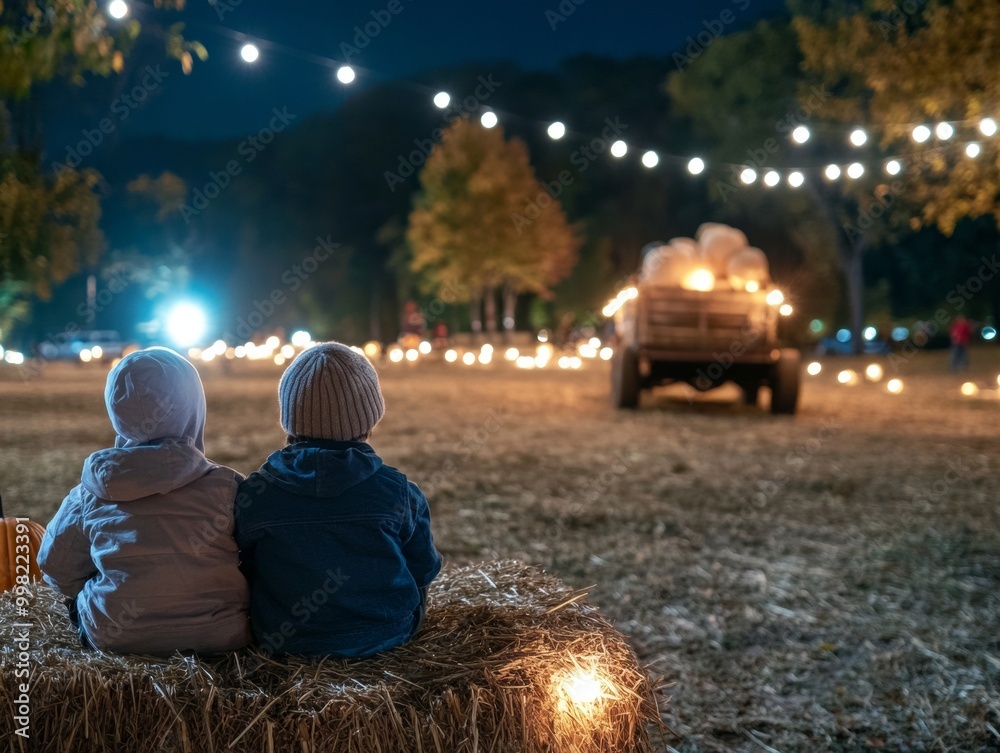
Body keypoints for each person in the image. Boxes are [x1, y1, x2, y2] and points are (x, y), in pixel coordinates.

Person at [37, 347, 251, 655]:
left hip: (114, 635)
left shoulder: (90, 492)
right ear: (194, 408)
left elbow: (54, 565)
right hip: (221, 636)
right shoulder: (228, 486)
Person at [235, 342, 442, 658]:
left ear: (290, 418)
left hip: (285, 639)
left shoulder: (256, 494)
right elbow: (423, 567)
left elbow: (244, 566)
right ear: (368, 418)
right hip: (387, 633)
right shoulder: (398, 490)